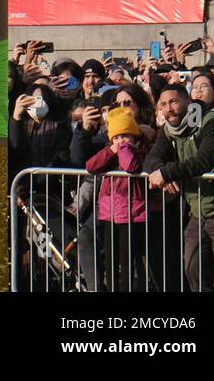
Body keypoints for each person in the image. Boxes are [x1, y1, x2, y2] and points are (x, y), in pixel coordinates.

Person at [144, 84, 214, 291]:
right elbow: (151, 158)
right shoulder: (168, 129)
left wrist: (166, 173)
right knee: (193, 270)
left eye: (174, 102)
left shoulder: (210, 121)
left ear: (188, 102)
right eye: (163, 104)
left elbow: (205, 160)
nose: (168, 109)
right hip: (195, 212)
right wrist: (161, 172)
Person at [85, 106, 150, 292]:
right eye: (117, 137)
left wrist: (124, 148)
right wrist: (111, 150)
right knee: (111, 260)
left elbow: (131, 166)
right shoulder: (110, 153)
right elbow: (91, 166)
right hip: (108, 214)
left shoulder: (138, 152)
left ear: (134, 136)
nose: (121, 141)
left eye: (126, 136)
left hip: (131, 214)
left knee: (127, 260)